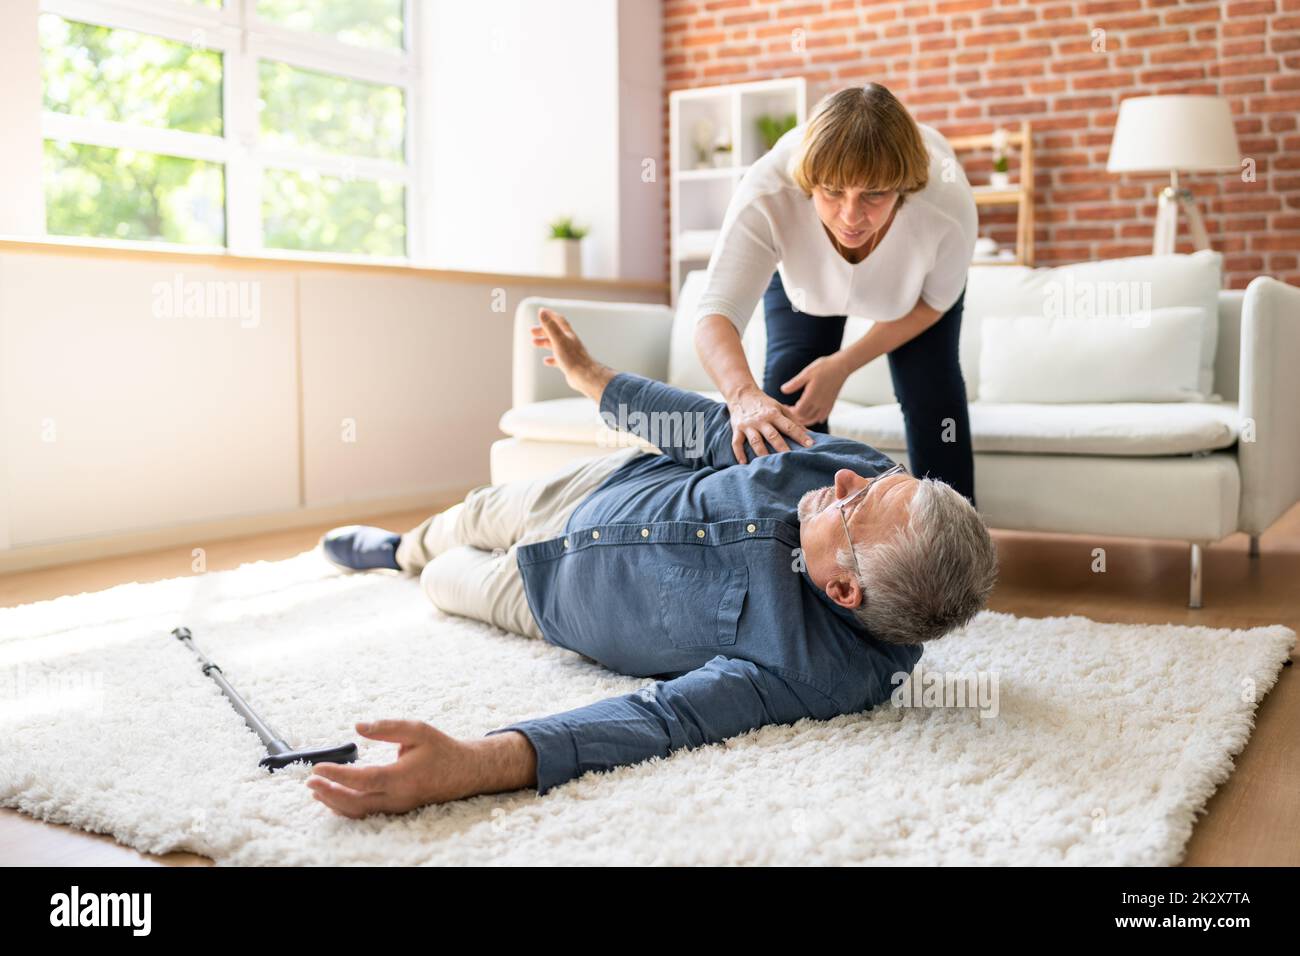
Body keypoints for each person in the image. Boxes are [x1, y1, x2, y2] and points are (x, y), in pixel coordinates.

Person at [307, 309, 997, 817]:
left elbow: (665, 720)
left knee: (444, 579)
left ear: (843, 589)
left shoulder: (818, 675)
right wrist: (593, 379)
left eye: (852, 507)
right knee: (470, 513)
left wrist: (476, 764)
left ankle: (420, 567)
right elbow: (706, 430)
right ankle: (396, 549)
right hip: (601, 490)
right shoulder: (849, 469)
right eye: (880, 480)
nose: (847, 480)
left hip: (552, 600)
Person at [693, 83, 980, 505]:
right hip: (807, 284)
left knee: (933, 400)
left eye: (874, 195)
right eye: (832, 191)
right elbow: (715, 312)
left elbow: (932, 305)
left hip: (913, 298)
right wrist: (744, 398)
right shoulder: (769, 192)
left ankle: (954, 559)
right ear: (809, 183)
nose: (850, 217)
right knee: (787, 402)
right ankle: (799, 547)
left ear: (903, 188)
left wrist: (843, 365)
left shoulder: (946, 207)